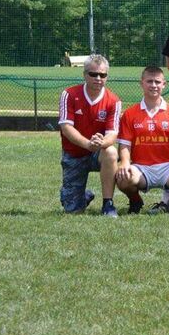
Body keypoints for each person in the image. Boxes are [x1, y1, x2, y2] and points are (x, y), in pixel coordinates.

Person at [114, 66, 169, 215]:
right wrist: (125, 162)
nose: (153, 85)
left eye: (157, 82)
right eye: (149, 81)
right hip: (141, 167)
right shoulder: (130, 113)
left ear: (164, 84)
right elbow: (125, 145)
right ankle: (135, 201)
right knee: (123, 179)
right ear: (142, 83)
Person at [57, 54, 122, 216]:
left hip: (97, 153)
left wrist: (101, 143)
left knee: (111, 151)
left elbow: (112, 134)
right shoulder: (69, 94)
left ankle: (108, 204)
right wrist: (88, 144)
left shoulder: (114, 101)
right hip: (74, 154)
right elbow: (66, 127)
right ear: (84, 75)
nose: (98, 78)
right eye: (93, 74)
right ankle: (79, 195)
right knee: (72, 210)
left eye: (103, 75)